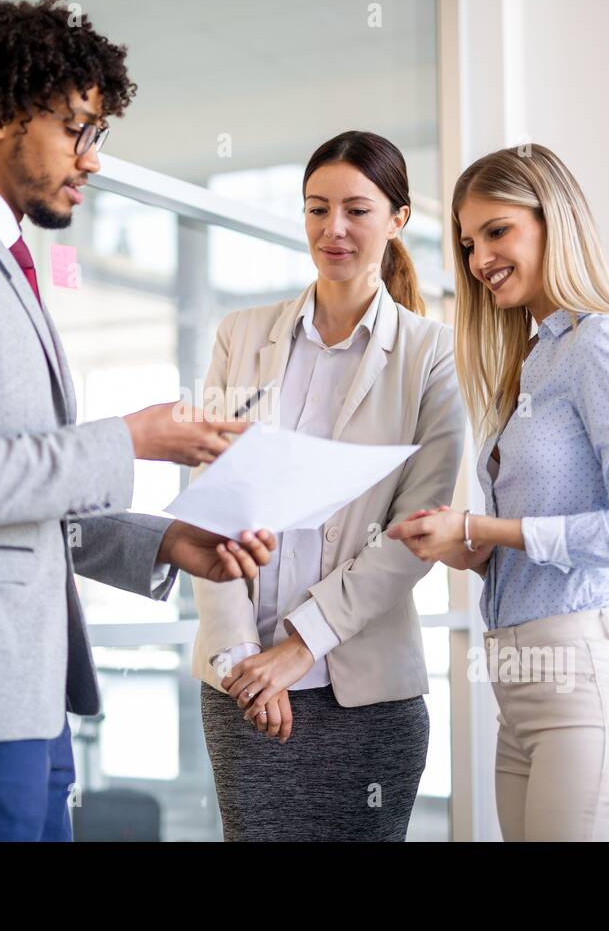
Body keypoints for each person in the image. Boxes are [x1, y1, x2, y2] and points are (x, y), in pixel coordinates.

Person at [0, 0, 274, 842]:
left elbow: (7, 504)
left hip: (25, 698)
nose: (92, 160)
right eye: (77, 129)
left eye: (96, 134)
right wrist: (133, 441)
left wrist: (161, 541)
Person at [388, 143, 609, 841]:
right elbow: (550, 539)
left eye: (498, 230)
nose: (480, 257)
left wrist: (489, 530)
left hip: (589, 690)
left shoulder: (601, 345)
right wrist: (471, 548)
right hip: (520, 691)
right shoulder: (538, 359)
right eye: (467, 242)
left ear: (555, 222)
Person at [192, 131, 466, 840]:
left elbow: (417, 532)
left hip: (365, 699)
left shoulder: (433, 355)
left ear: (398, 218)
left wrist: (300, 645)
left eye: (356, 210)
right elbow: (210, 505)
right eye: (317, 210)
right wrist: (237, 660)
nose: (332, 229)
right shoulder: (241, 334)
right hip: (244, 688)